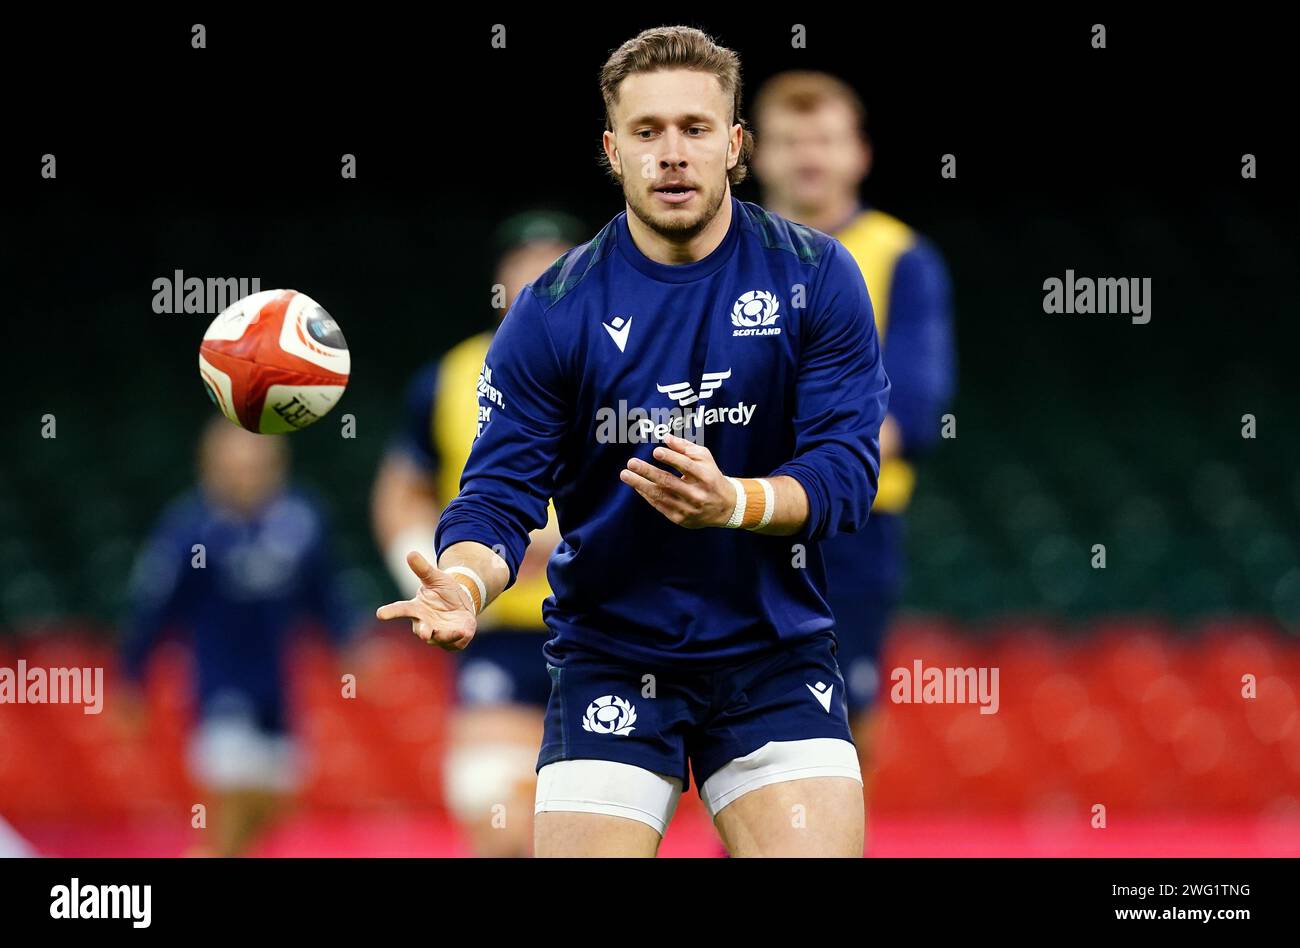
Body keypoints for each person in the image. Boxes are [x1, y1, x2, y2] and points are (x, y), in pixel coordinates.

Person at [377, 25, 890, 857]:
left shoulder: (816, 275)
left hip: (773, 654)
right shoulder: (550, 309)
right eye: (648, 133)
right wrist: (465, 583)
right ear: (613, 151)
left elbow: (845, 473)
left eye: (695, 129)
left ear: (737, 145)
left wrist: (734, 503)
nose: (673, 153)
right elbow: (498, 495)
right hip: (609, 657)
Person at [751, 71, 956, 805]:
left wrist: (786, 476)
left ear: (859, 154)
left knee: (843, 718)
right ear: (754, 153)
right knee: (731, 708)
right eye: (791, 141)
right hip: (732, 518)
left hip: (850, 525)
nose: (810, 157)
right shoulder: (721, 250)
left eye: (827, 140)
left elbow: (911, 413)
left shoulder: (902, 257)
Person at [371, 211, 581, 856]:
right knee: (493, 812)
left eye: (556, 263)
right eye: (523, 262)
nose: (536, 277)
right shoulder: (450, 377)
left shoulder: (625, 369)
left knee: (583, 822)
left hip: (597, 627)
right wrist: (443, 579)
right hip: (499, 632)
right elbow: (399, 490)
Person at [123, 417, 359, 856]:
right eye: (238, 466)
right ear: (212, 468)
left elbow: (325, 595)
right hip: (220, 690)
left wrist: (345, 645)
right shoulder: (191, 530)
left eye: (259, 465)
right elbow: (154, 610)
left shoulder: (301, 522)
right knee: (231, 810)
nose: (249, 477)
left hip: (279, 693)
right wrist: (133, 676)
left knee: (268, 809)